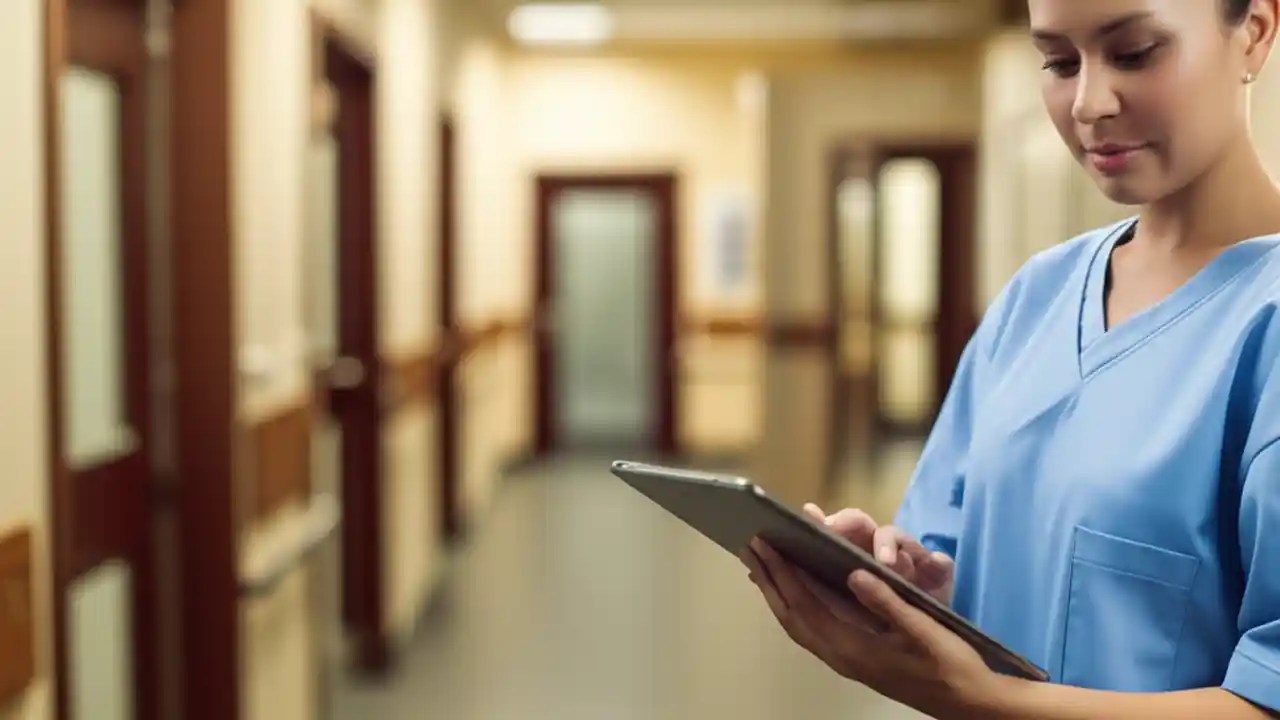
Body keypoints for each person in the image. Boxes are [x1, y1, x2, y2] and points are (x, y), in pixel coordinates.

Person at [740, 0, 1280, 717]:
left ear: (1255, 31)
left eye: (1137, 51)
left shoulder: (1262, 323)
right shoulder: (1039, 295)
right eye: (1058, 62)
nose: (1088, 103)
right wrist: (914, 585)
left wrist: (983, 701)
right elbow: (970, 553)